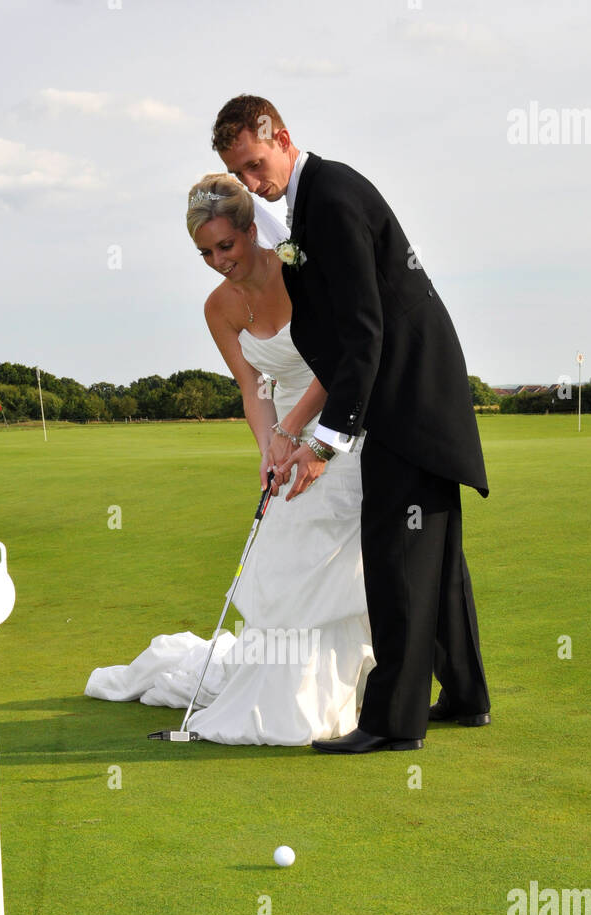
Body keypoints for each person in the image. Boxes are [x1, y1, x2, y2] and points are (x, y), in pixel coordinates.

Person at [212, 95, 492, 754]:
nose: (253, 185)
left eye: (255, 165)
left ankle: (391, 723)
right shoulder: (312, 201)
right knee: (435, 556)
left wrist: (323, 445)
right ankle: (465, 694)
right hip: (415, 396)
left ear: (281, 137)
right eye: (240, 174)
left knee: (395, 557)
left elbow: (365, 331)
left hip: (404, 402)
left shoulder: (329, 199)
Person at [84, 173, 374, 746]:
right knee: (283, 561)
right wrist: (268, 447)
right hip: (286, 435)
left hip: (338, 428)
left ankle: (338, 694)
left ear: (250, 230)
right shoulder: (218, 308)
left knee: (331, 566)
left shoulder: (302, 276)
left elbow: (339, 362)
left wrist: (296, 432)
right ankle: (279, 691)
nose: (218, 261)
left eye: (226, 246)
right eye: (205, 253)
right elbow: (252, 386)